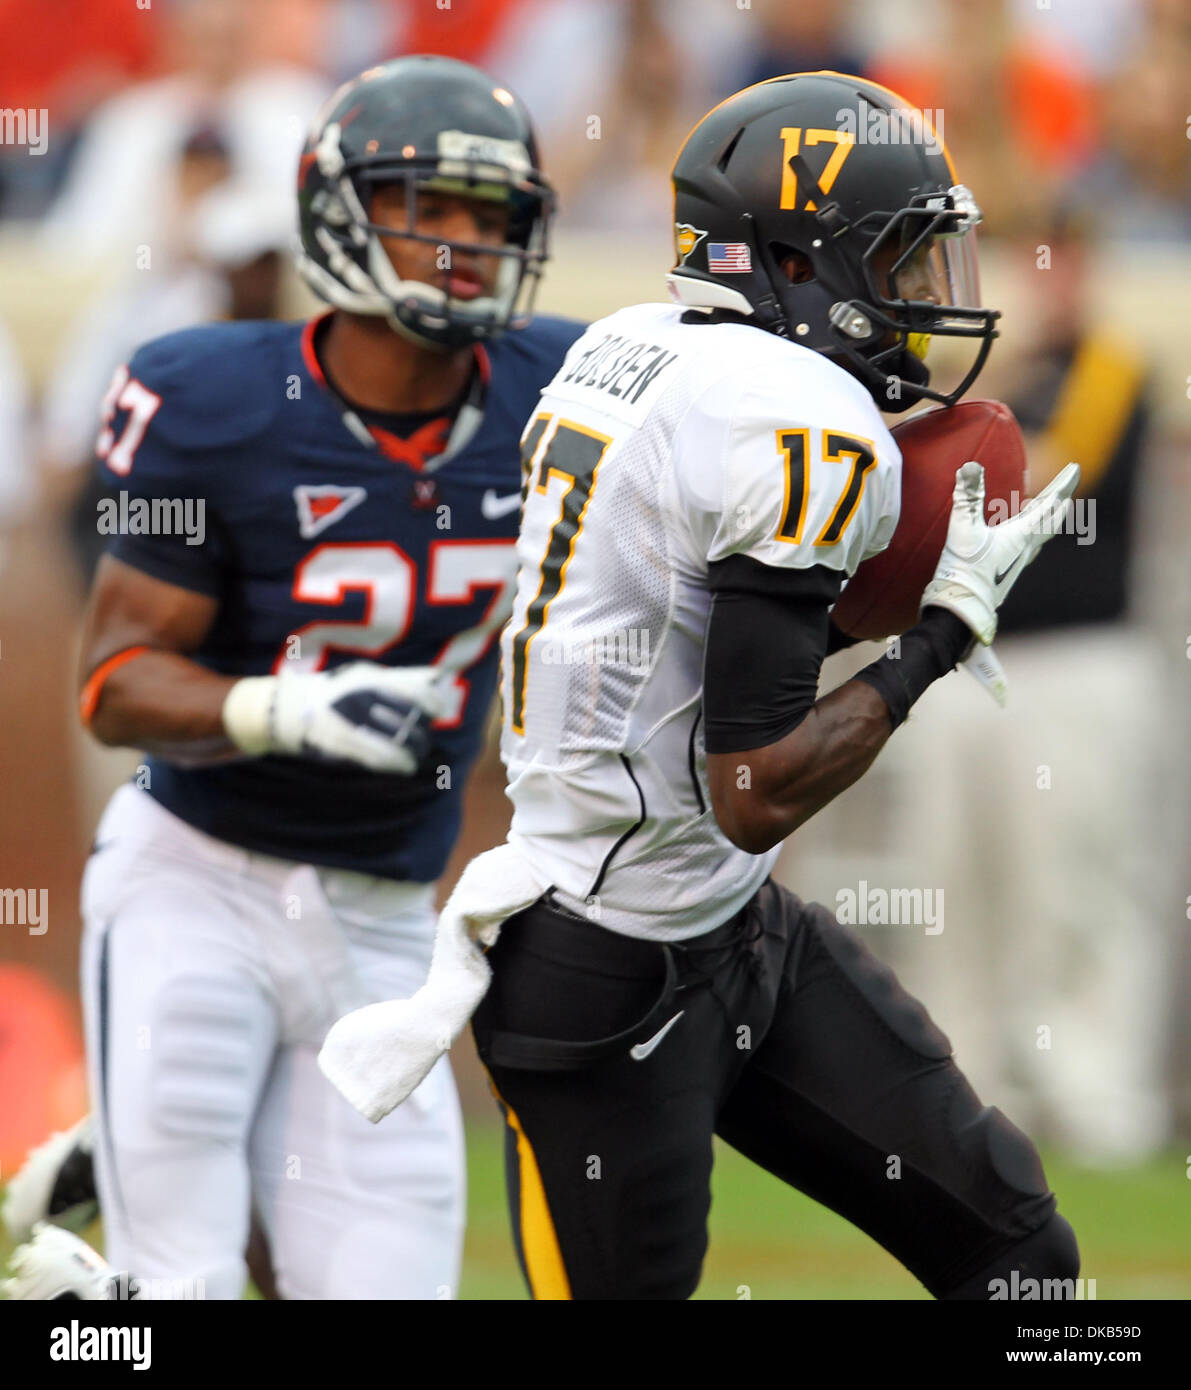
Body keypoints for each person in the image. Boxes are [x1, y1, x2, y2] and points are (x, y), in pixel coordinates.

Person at [321, 71, 1083, 1300]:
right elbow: (753, 785)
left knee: (1023, 1261)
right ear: (790, 264)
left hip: (728, 923)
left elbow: (716, 646)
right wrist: (938, 635)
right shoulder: (794, 414)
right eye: (898, 260)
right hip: (599, 973)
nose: (929, 300)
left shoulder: (639, 347)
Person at [4, 54, 582, 1301]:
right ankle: (82, 1318)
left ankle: (84, 1297)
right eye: (433, 209)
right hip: (192, 891)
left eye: (493, 218)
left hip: (387, 921)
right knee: (187, 1292)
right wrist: (285, 704)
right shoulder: (211, 397)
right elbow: (112, 682)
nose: (468, 245)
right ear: (341, 212)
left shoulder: (566, 393)